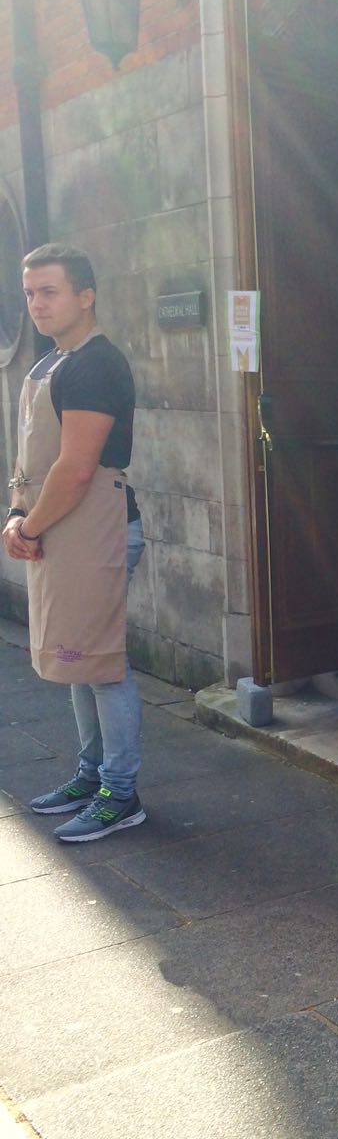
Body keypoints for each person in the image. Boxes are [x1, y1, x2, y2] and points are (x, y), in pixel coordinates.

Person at [2, 243, 146, 842]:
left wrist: (30, 527)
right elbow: (31, 461)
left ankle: (121, 791)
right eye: (30, 293)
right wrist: (17, 513)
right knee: (76, 660)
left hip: (97, 529)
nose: (37, 303)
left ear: (86, 296)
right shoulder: (49, 363)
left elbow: (77, 468)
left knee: (102, 663)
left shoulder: (96, 365)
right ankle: (92, 774)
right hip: (59, 527)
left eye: (50, 291)